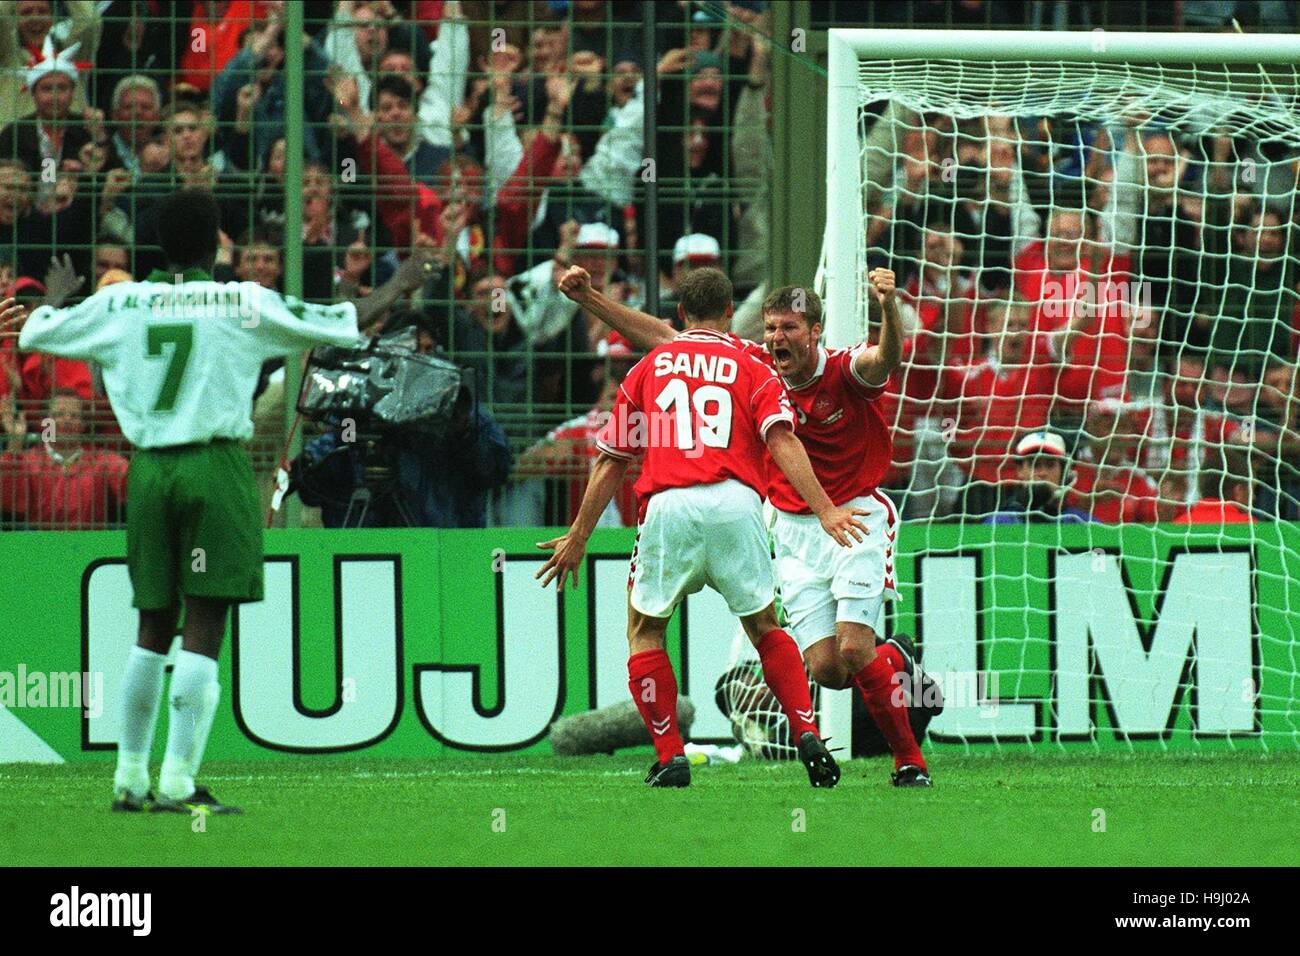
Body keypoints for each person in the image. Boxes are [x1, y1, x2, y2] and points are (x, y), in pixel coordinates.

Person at [16, 189, 368, 815]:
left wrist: (56, 299)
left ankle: (128, 777)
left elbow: (38, 331)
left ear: (156, 245)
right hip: (213, 466)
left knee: (152, 623)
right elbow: (339, 320)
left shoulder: (121, 301)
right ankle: (178, 778)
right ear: (215, 243)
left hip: (148, 470)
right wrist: (406, 285)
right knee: (204, 621)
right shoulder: (239, 299)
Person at [554, 264, 934, 788]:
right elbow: (670, 338)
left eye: (789, 329)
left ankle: (910, 763)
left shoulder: (844, 369)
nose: (777, 337)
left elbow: (886, 357)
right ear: (745, 323)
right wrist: (592, 300)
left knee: (850, 647)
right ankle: (896, 662)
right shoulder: (753, 365)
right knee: (827, 669)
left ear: (815, 332)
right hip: (790, 529)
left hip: (854, 515)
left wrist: (888, 307)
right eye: (771, 328)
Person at [987, 431, 1093, 524]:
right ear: (1020, 471)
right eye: (1035, 465)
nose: (1042, 473)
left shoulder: (1081, 522)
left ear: (1064, 472)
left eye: (1050, 465)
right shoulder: (1001, 521)